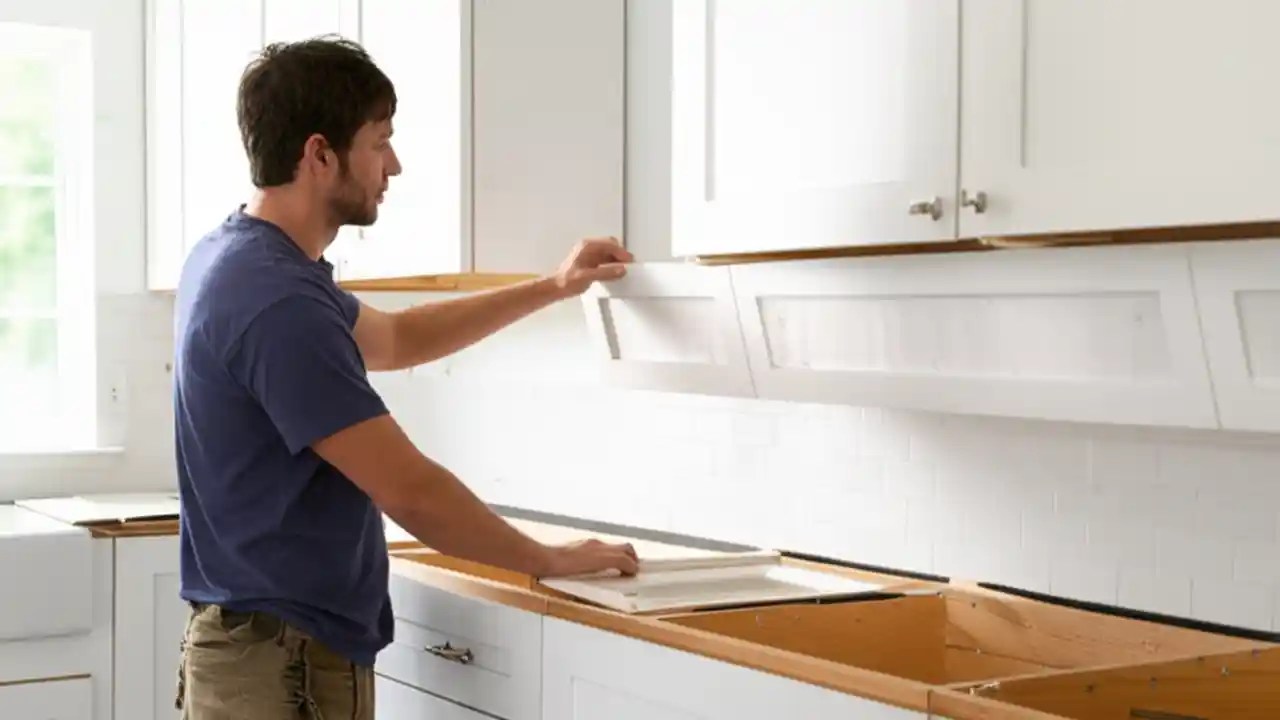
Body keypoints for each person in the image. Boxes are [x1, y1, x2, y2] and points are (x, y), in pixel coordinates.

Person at [171, 36, 639, 719]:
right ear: (320, 155)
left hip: (267, 655)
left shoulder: (243, 259)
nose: (393, 164)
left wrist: (554, 286)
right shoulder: (275, 299)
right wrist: (547, 558)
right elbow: (410, 491)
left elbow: (397, 338)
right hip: (282, 670)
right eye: (379, 141)